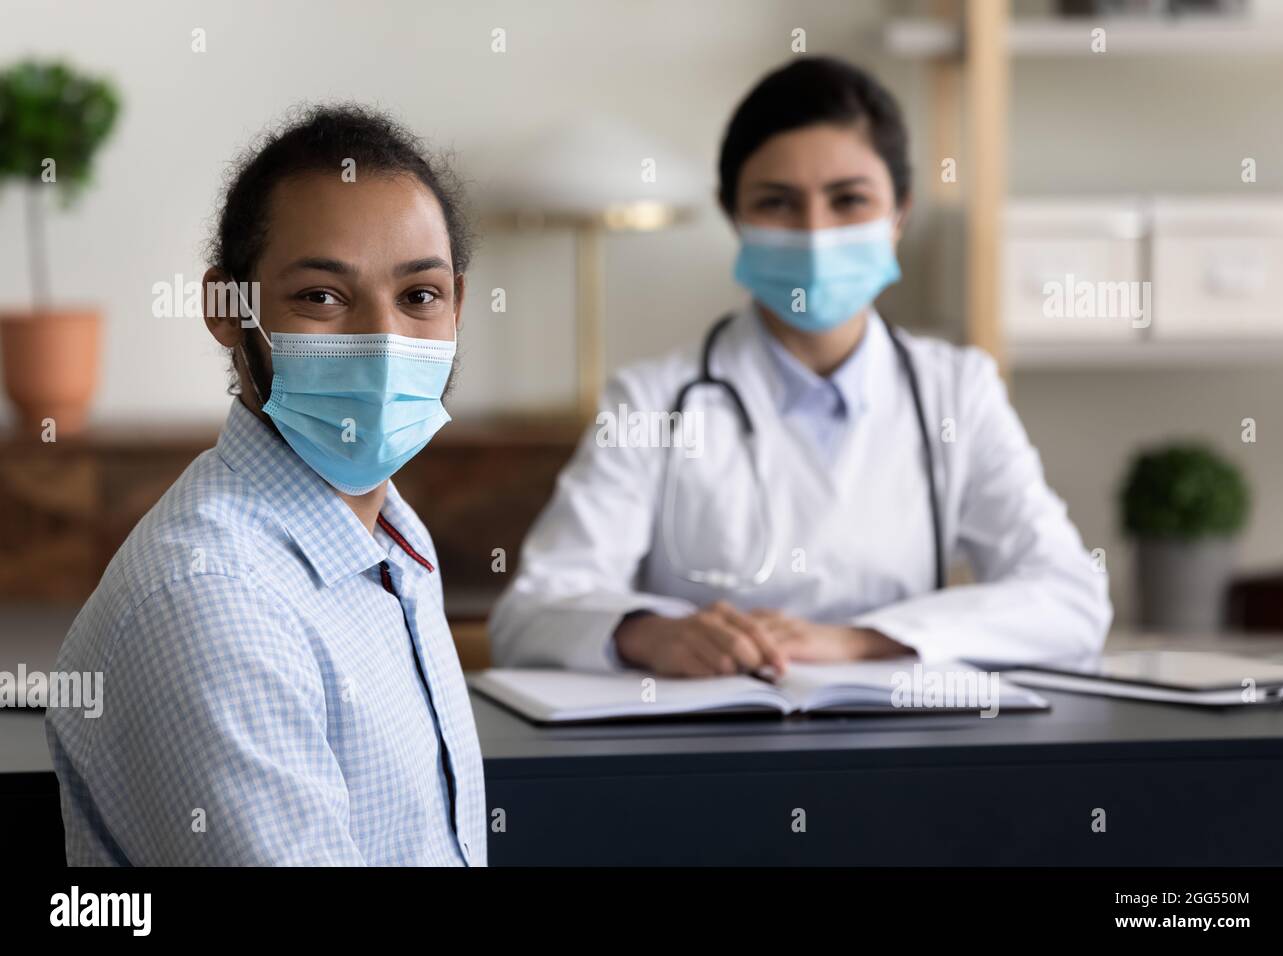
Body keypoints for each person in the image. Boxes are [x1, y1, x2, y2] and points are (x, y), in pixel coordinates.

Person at [489, 57, 1111, 678]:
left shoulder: (957, 391)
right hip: (708, 753)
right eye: (778, 203)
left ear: (900, 215)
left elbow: (1071, 599)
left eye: (849, 201)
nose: (815, 232)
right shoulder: (652, 399)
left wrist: (862, 641)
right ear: (734, 217)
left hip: (899, 750)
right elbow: (531, 612)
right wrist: (646, 634)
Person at [46, 105, 484, 865]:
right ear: (227, 307)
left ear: (458, 305)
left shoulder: (392, 539)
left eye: (419, 296)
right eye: (321, 296)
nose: (381, 343)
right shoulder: (213, 599)